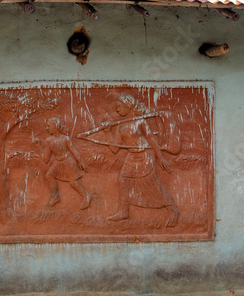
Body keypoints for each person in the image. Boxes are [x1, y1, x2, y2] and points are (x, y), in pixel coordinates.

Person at [106, 94, 180, 226]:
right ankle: (124, 211)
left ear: (128, 107)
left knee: (151, 183)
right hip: (132, 155)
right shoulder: (120, 127)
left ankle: (172, 209)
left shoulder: (140, 122)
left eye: (119, 107)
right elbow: (114, 149)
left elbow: (152, 140)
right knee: (123, 179)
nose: (117, 110)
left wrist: (160, 157)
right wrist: (107, 133)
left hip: (146, 154)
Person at [41, 117, 91, 210]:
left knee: (73, 182)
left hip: (68, 161)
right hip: (57, 162)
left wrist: (80, 161)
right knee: (49, 176)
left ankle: (86, 196)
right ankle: (55, 197)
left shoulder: (65, 138)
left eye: (48, 126)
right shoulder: (48, 141)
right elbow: (45, 160)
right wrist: (38, 147)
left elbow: (74, 150)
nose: (46, 128)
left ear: (55, 127)